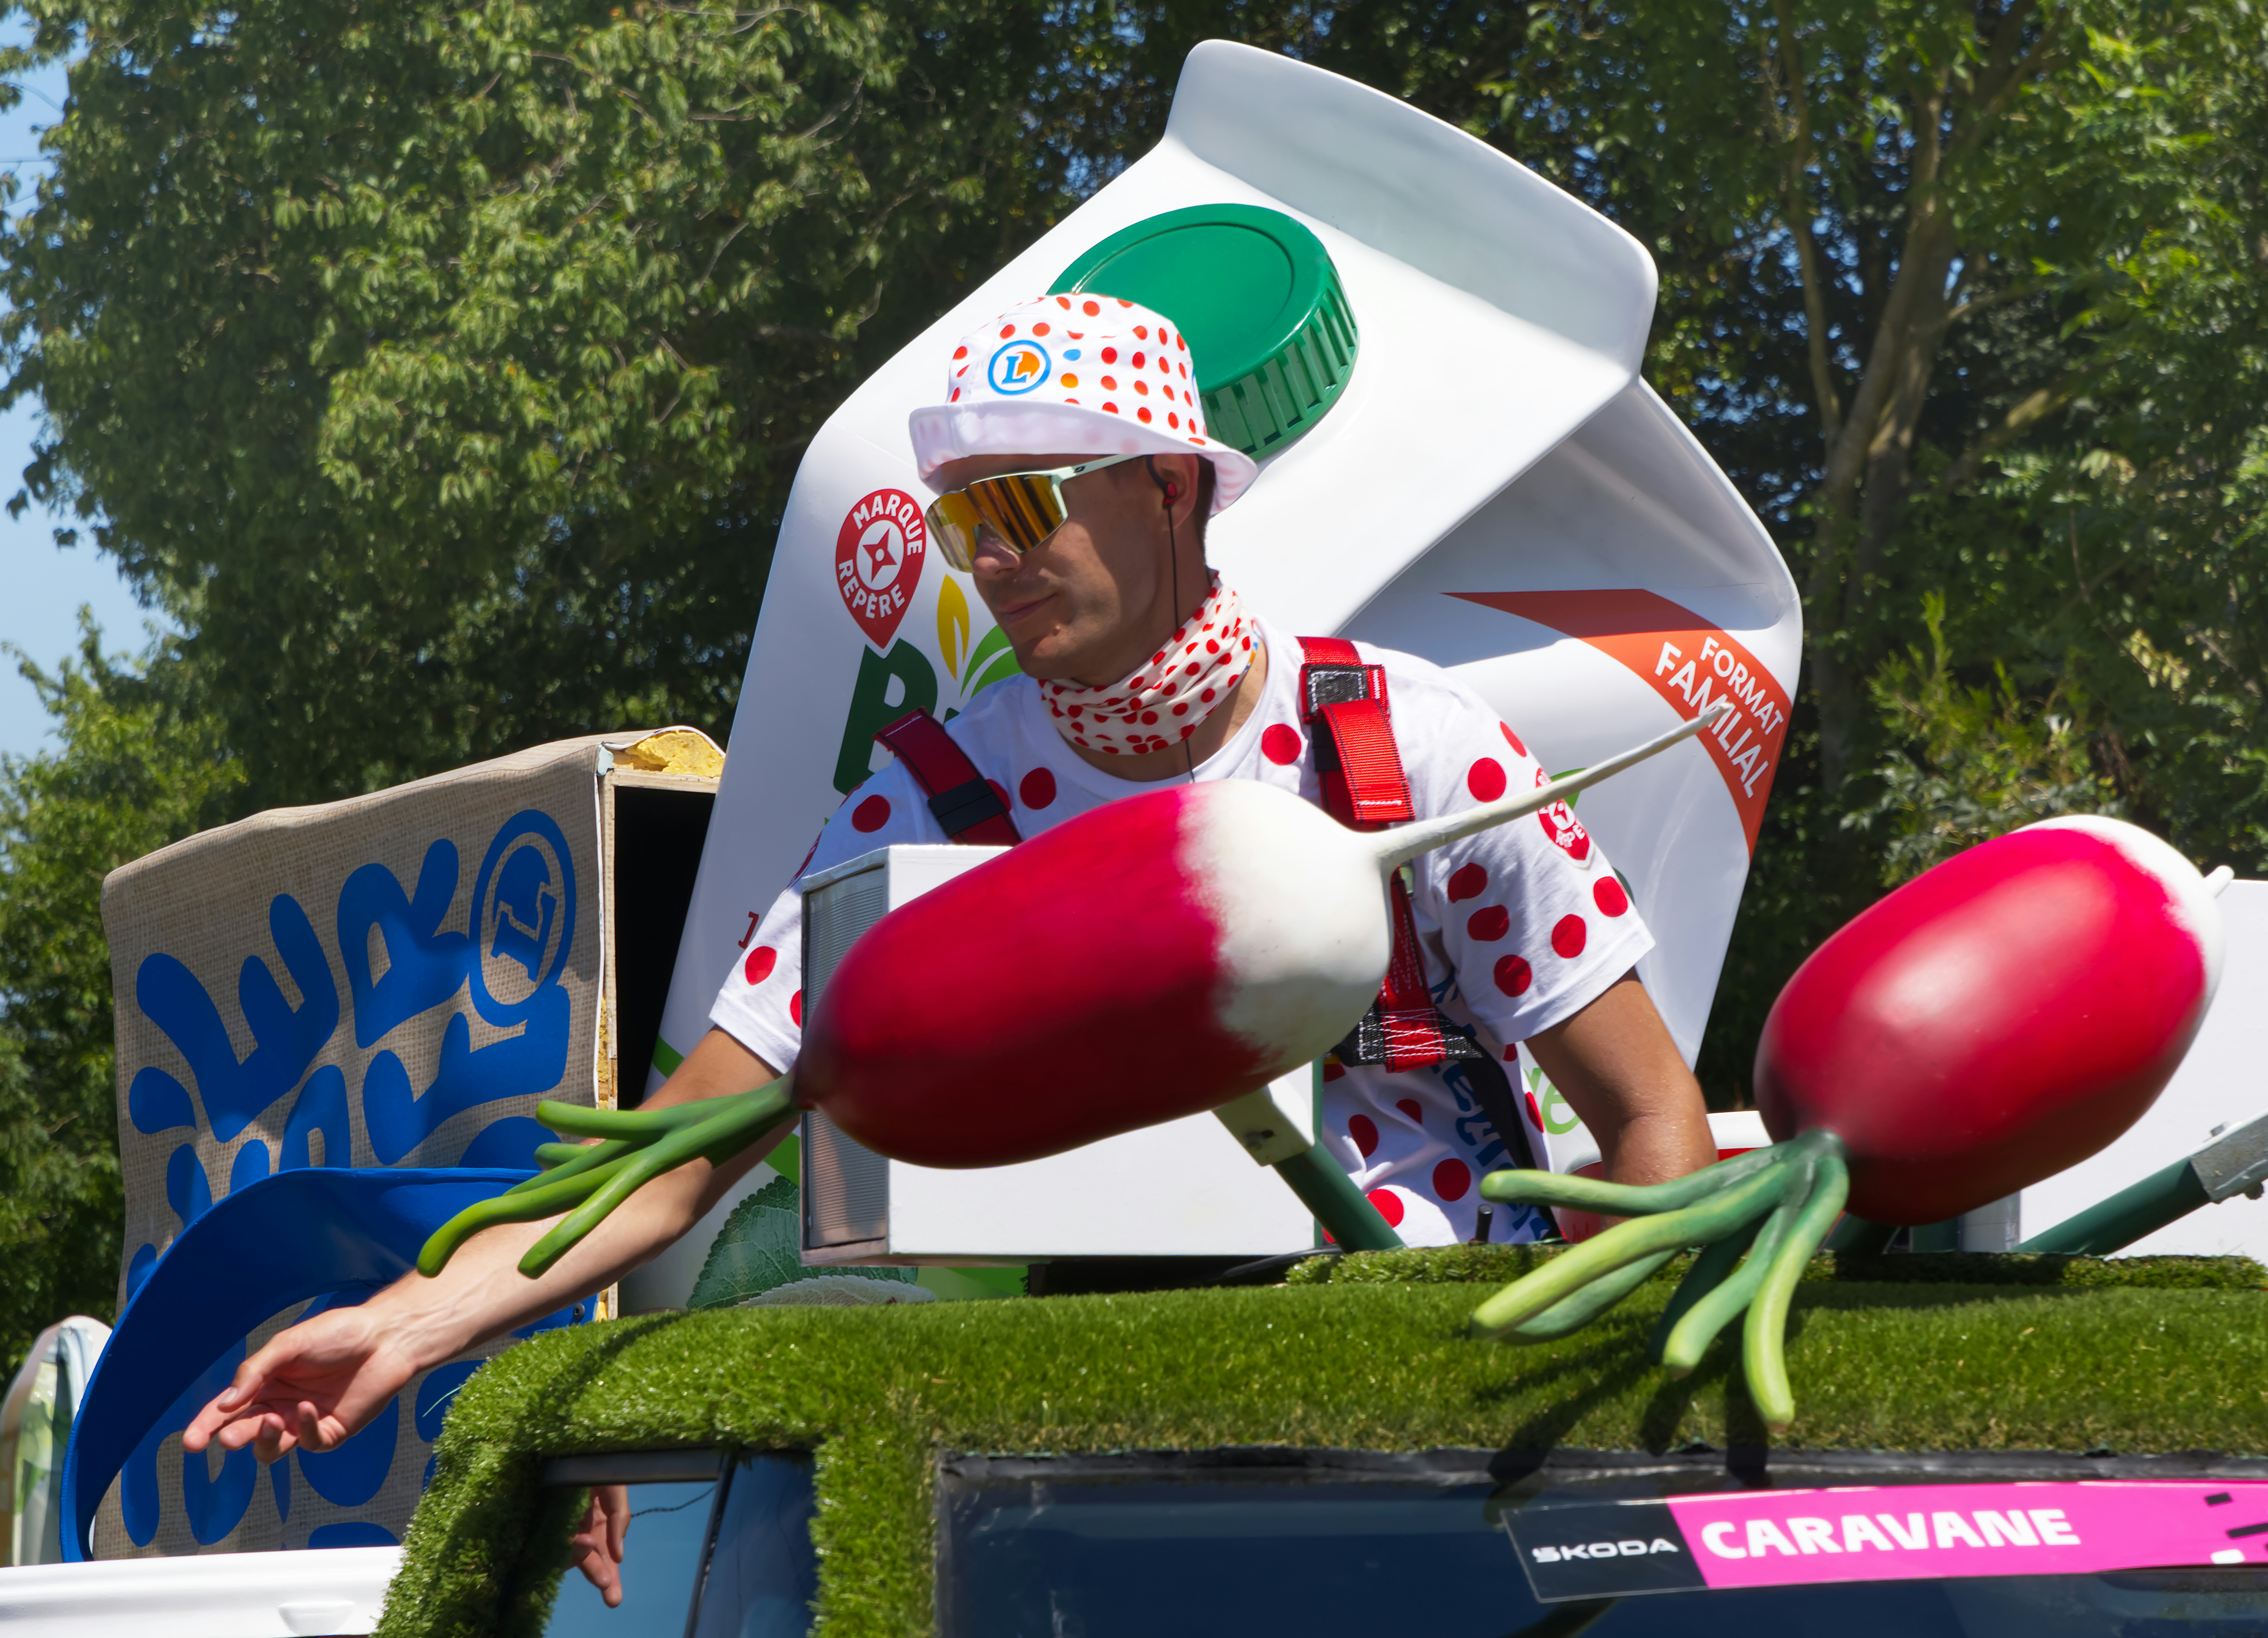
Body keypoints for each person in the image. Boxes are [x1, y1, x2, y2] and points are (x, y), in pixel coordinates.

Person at [184, 294, 1716, 1600]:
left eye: (1024, 509)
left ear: (1171, 489)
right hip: (1117, 1470)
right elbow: (677, 1155)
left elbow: (1656, 1122)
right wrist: (409, 1319)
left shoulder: (1410, 746)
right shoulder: (923, 801)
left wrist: (1621, 1466)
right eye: (963, 522)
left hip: (1440, 1453)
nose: (991, 562)